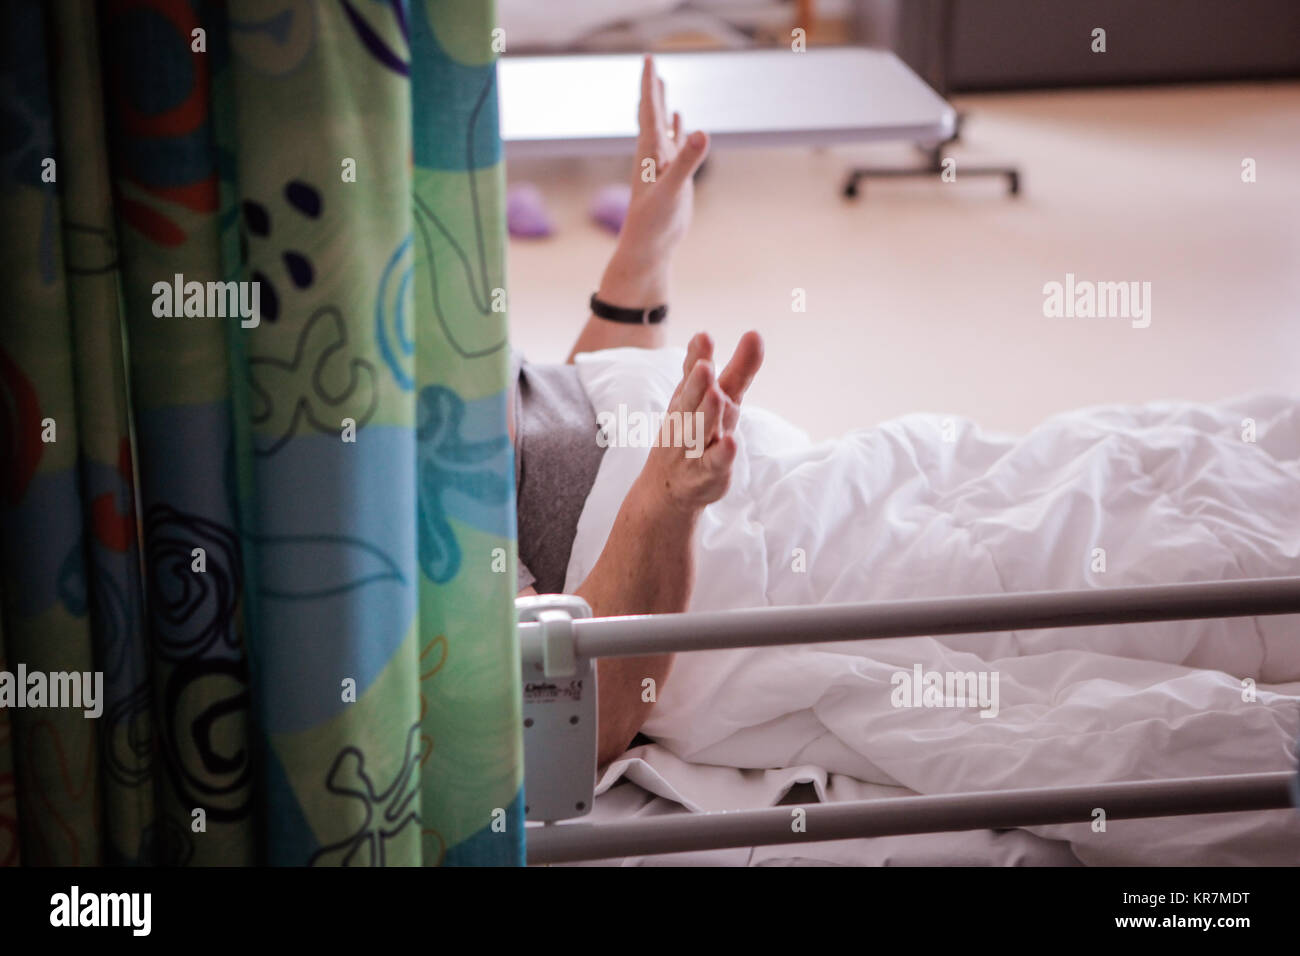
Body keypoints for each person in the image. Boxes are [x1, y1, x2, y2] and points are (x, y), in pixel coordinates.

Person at [507, 56, 761, 766]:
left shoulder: (415, 361)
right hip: (737, 560)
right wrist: (665, 502)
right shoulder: (408, 495)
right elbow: (575, 726)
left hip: (774, 480)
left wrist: (643, 251)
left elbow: (561, 405)